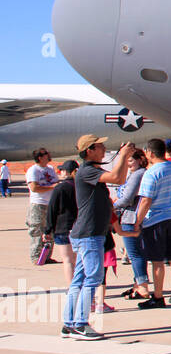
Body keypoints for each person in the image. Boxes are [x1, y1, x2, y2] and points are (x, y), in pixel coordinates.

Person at [62, 135, 133, 339]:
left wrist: (123, 157)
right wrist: (123, 155)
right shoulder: (88, 171)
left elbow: (118, 178)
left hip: (88, 233)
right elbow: (116, 179)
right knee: (92, 278)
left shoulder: (90, 170)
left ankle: (69, 324)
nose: (103, 148)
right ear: (89, 150)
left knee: (79, 279)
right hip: (89, 234)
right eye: (99, 146)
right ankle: (81, 324)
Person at [134, 138, 171, 308]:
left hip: (156, 220)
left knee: (157, 261)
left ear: (150, 153)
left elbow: (146, 201)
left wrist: (137, 222)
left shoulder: (151, 173)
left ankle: (158, 296)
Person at [113, 149, 150, 300]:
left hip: (131, 217)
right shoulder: (137, 174)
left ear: (140, 160)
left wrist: (111, 206)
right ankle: (138, 284)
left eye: (130, 161)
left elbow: (128, 198)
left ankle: (142, 286)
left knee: (135, 253)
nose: (128, 164)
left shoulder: (138, 174)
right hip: (131, 216)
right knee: (137, 253)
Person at [46, 160, 80, 283]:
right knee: (78, 261)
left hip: (63, 227)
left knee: (68, 260)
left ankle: (73, 287)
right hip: (80, 227)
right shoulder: (82, 186)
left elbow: (52, 209)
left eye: (62, 170)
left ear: (67, 172)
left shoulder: (60, 188)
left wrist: (48, 229)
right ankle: (81, 285)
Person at [26, 147, 58, 264]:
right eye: (46, 154)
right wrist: (51, 187)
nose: (48, 155)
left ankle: (46, 256)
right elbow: (34, 188)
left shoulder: (50, 169)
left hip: (51, 205)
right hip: (38, 205)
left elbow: (56, 182)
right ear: (40, 157)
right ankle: (36, 257)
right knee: (37, 231)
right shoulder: (33, 170)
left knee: (50, 231)